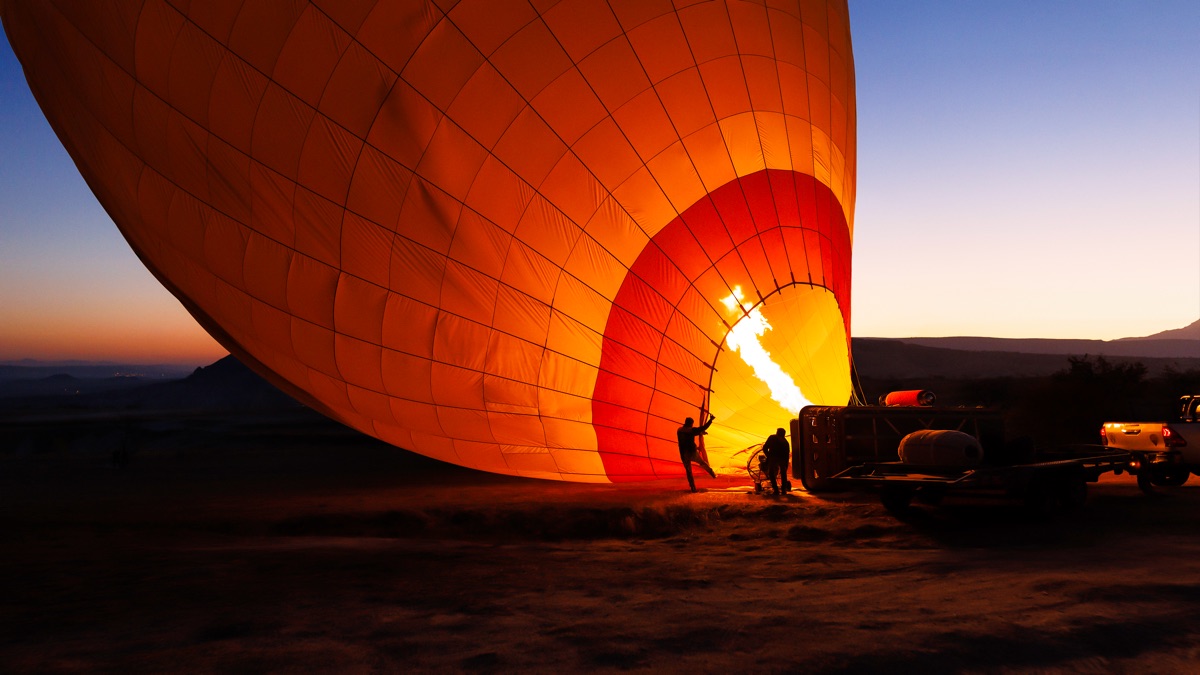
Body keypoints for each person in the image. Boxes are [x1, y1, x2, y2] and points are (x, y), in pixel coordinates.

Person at [677, 415, 717, 492]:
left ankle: (693, 488)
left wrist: (700, 433)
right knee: (702, 463)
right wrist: (710, 420)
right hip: (692, 452)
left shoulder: (679, 430)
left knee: (689, 471)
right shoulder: (691, 430)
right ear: (691, 424)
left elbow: (689, 434)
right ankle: (712, 473)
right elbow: (702, 428)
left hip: (683, 454)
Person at [762, 427, 791, 495]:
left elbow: (765, 448)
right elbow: (787, 454)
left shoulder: (772, 438)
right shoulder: (785, 442)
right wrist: (786, 464)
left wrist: (768, 456)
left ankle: (776, 489)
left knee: (771, 474)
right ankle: (783, 490)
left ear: (777, 432)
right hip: (782, 460)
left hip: (773, 458)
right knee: (783, 474)